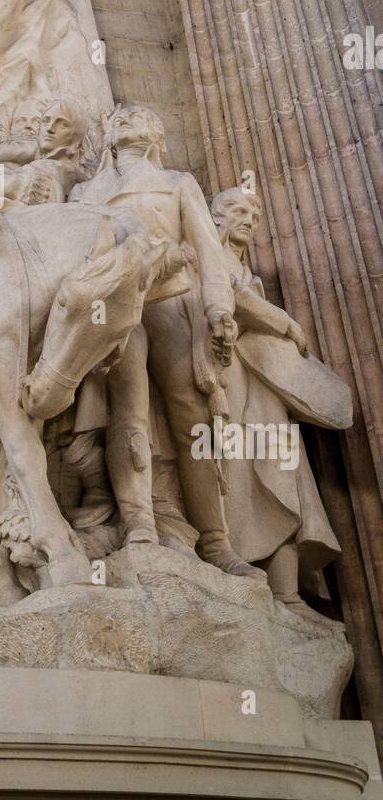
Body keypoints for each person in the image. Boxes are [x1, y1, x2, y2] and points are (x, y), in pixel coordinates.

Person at [72, 105, 262, 578]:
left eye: (141, 117)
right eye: (121, 118)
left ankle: (215, 541)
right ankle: (139, 523)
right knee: (128, 412)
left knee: (192, 418)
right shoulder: (86, 192)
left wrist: (218, 307)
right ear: (110, 136)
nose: (130, 120)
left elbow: (207, 248)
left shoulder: (178, 182)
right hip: (118, 309)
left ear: (156, 133)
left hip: (172, 303)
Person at [210, 187, 341, 610]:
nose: (249, 221)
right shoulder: (210, 258)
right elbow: (234, 299)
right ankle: (255, 589)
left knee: (282, 474)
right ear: (216, 217)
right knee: (240, 481)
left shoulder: (246, 271)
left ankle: (286, 593)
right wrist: (285, 323)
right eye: (240, 212)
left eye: (254, 215)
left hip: (260, 388)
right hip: (225, 383)